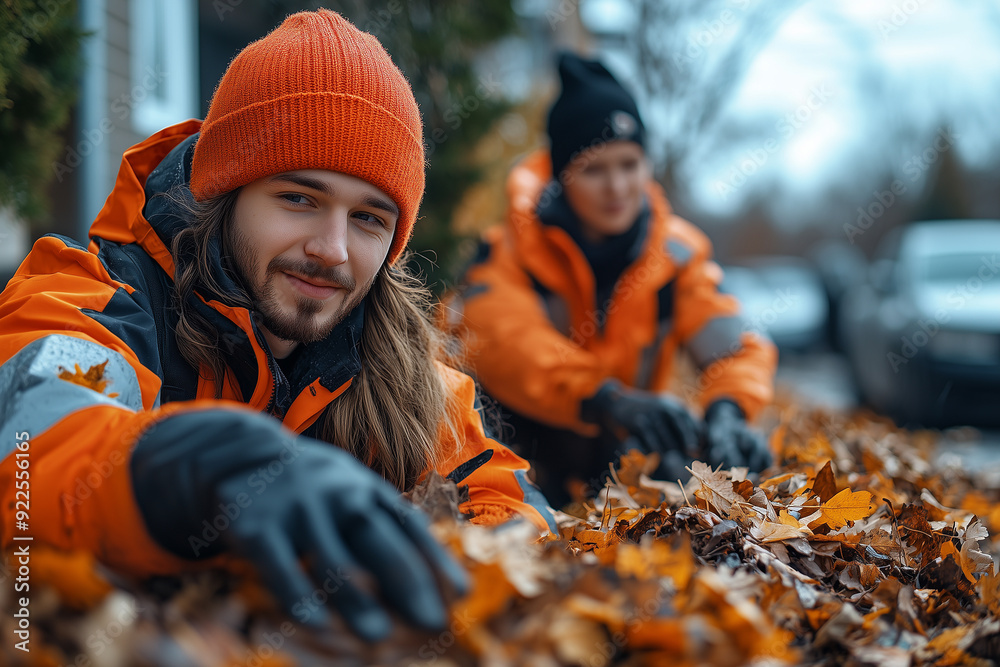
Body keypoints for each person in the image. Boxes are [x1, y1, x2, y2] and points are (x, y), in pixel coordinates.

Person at [0, 9, 553, 642]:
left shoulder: (406, 373)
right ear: (225, 193)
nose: (333, 250)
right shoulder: (99, 299)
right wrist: (184, 472)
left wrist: (441, 575)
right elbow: (28, 436)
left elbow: (506, 504)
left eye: (370, 219)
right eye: (299, 199)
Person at [445, 54, 778, 506]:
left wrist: (729, 412)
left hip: (621, 444)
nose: (617, 187)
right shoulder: (508, 249)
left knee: (694, 462)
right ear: (562, 176)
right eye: (595, 169)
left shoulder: (678, 253)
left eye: (629, 164)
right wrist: (607, 399)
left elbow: (735, 348)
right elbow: (503, 343)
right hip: (524, 441)